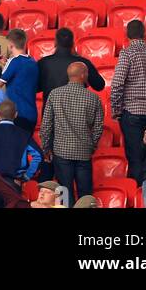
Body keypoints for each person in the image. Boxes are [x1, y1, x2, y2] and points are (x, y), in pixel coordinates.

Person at [40, 62, 104, 205]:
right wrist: (91, 146)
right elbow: (98, 127)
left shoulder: (55, 94)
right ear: (83, 75)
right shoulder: (93, 98)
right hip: (83, 152)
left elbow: (46, 126)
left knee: (64, 193)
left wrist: (46, 148)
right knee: (85, 195)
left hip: (61, 152)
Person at [111, 19, 146, 180]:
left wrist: (116, 111)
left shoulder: (127, 53)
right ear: (144, 34)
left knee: (135, 158)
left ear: (127, 35)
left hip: (133, 113)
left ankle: (138, 194)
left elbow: (117, 84)